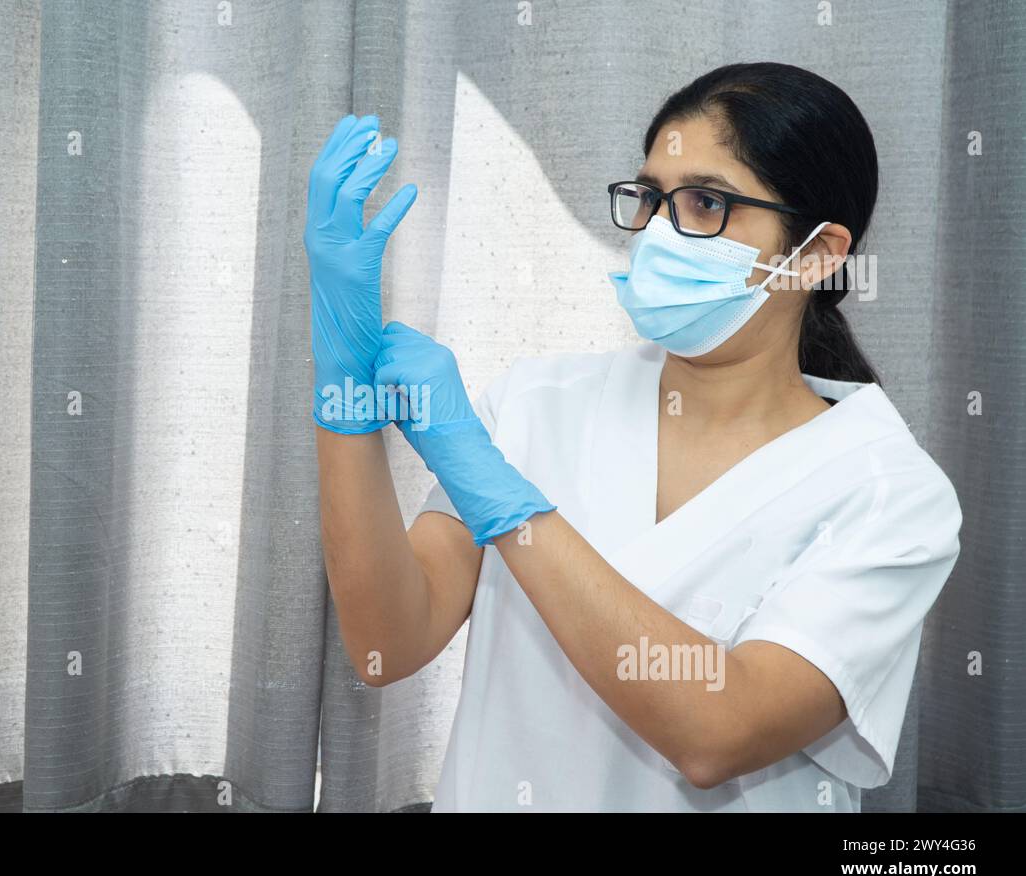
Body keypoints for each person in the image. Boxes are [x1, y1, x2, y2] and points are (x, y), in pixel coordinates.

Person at [306, 62, 962, 812]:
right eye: (650, 199)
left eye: (706, 203)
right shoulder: (535, 402)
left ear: (816, 254)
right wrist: (342, 389)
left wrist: (504, 503)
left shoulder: (888, 491)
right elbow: (389, 638)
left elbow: (722, 730)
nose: (657, 232)